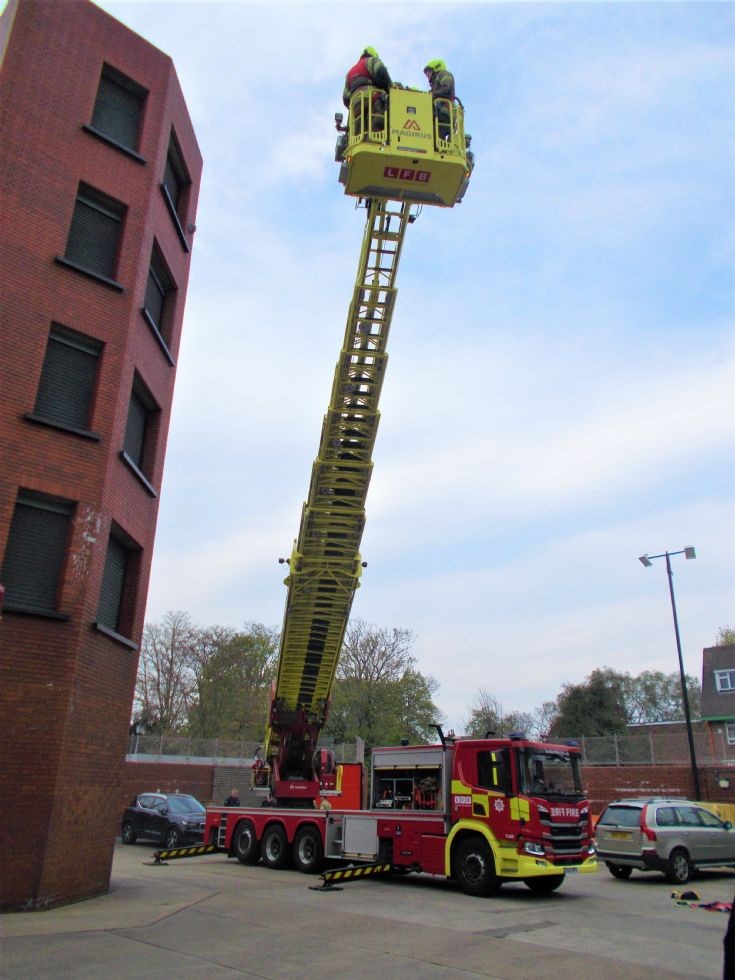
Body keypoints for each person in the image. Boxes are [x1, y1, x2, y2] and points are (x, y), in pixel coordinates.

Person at [343, 46, 392, 135]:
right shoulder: (371, 61)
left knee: (359, 132)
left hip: (356, 107)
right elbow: (381, 72)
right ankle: (376, 138)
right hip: (373, 99)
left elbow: (345, 98)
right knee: (376, 125)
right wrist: (390, 89)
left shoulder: (349, 73)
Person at [423, 58, 455, 142]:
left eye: (428, 71)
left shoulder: (444, 74)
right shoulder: (434, 86)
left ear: (436, 68)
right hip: (439, 114)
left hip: (443, 112)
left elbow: (447, 89)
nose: (427, 75)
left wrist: (432, 95)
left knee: (438, 137)